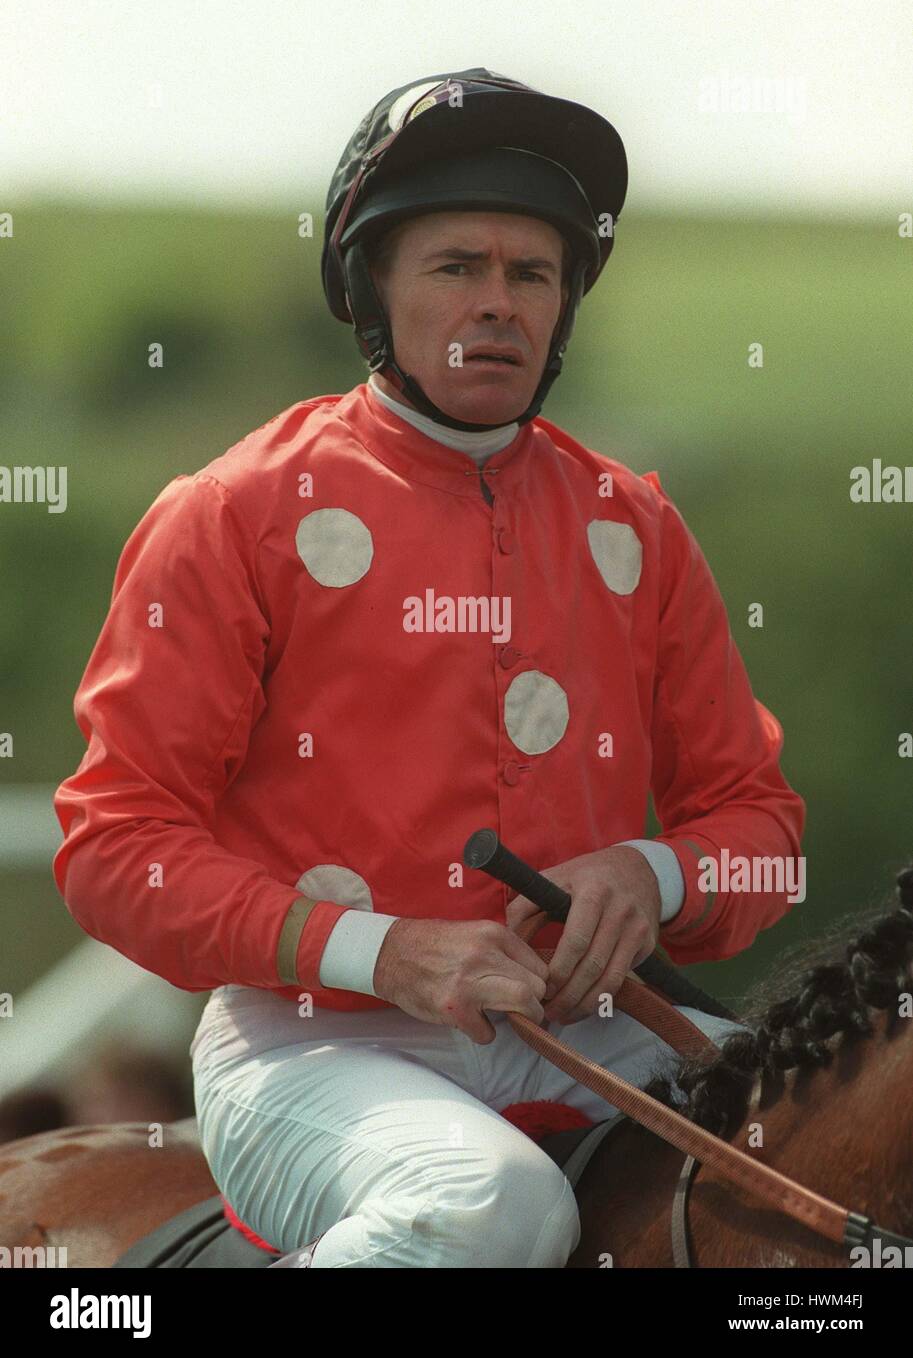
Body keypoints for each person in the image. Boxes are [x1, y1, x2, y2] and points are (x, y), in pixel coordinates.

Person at [52, 68, 806, 1268]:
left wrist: (651, 872)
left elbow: (762, 830)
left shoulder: (640, 526)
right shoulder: (229, 512)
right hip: (315, 1042)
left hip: (598, 1030)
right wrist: (384, 951)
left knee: (833, 1170)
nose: (497, 302)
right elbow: (114, 848)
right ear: (376, 290)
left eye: (531, 273)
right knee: (492, 1207)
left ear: (562, 308)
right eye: (456, 266)